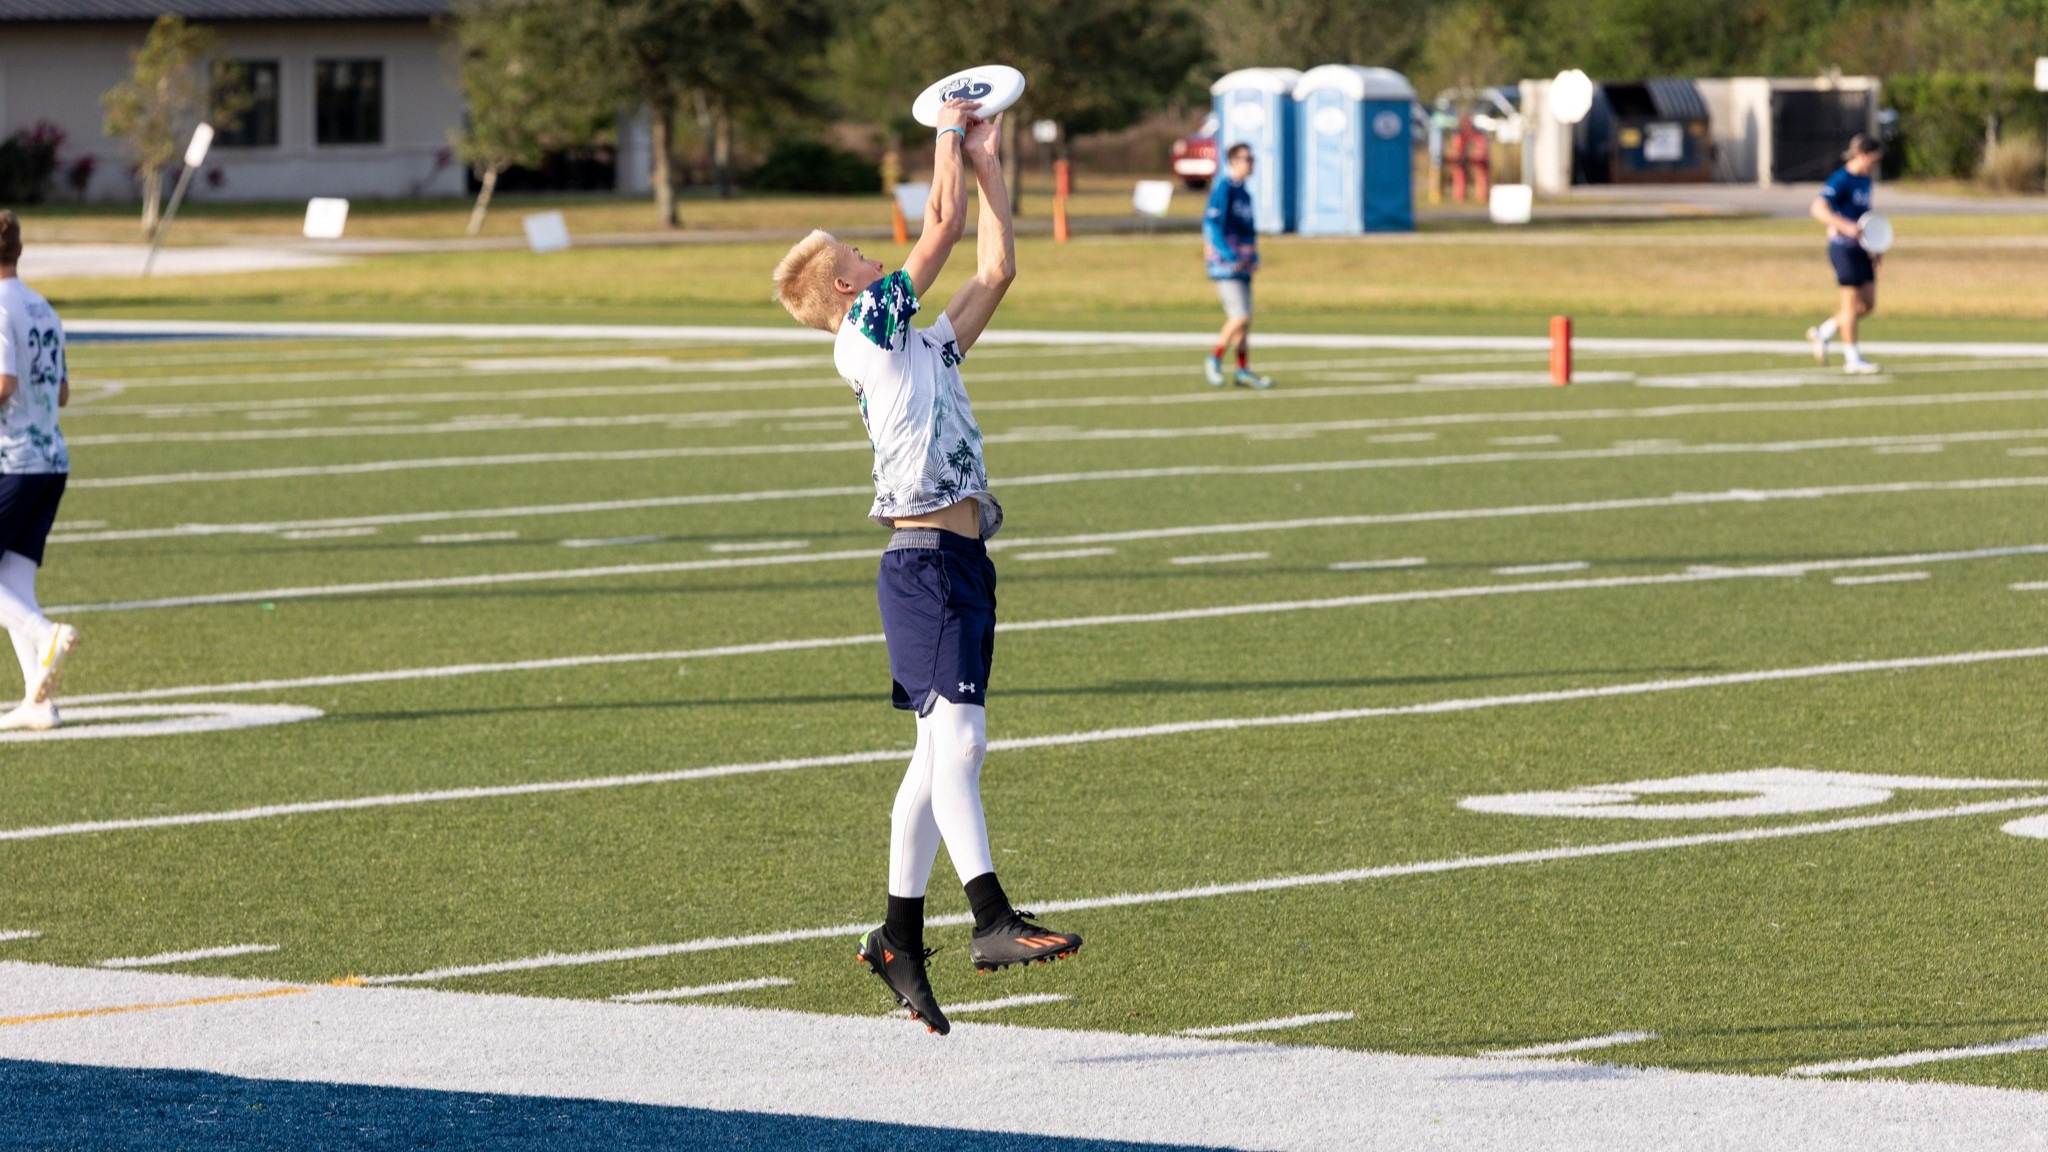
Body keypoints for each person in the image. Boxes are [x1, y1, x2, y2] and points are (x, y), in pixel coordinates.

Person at [770, 99, 1082, 1036]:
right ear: (842, 285)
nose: (877, 254)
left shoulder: (917, 344)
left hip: (956, 562)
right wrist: (947, 129)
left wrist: (988, 159)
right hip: (921, 565)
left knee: (932, 759)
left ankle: (899, 937)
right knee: (964, 745)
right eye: (861, 253)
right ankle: (989, 918)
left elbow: (996, 265)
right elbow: (939, 228)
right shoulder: (865, 333)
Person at [0, 210, 77, 731]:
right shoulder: (42, 306)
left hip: (14, 459)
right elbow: (63, 392)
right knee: (12, 577)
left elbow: (3, 383)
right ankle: (38, 700)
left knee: (17, 596)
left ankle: (44, 632)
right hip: (52, 460)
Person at [1805, 134, 1886, 375]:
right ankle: (1852, 358)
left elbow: (1865, 215)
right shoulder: (1841, 179)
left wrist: (1876, 246)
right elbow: (1817, 209)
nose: (1875, 165)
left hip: (1862, 248)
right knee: (1850, 304)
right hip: (1843, 248)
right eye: (1873, 159)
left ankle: (1824, 332)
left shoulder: (1865, 181)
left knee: (1867, 304)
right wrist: (1844, 225)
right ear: (1860, 154)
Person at [1202, 143, 1273, 389]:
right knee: (1239, 315)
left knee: (1246, 320)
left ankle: (1242, 369)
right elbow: (1211, 226)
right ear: (1233, 161)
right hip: (1226, 265)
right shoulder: (1224, 189)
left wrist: (1253, 258)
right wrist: (1230, 257)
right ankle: (1214, 358)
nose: (1251, 163)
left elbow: (1248, 232)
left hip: (1243, 263)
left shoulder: (1244, 193)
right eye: (1246, 159)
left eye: (1252, 159)